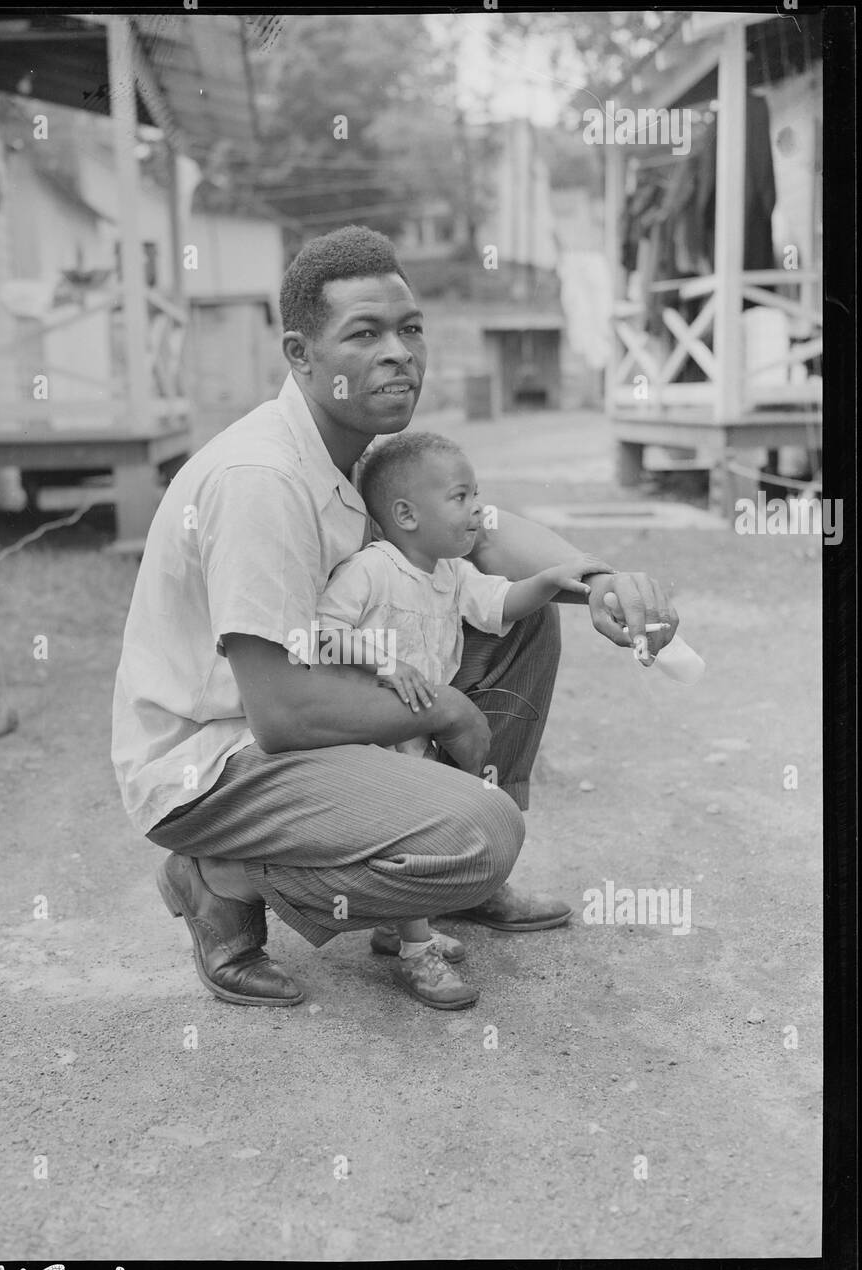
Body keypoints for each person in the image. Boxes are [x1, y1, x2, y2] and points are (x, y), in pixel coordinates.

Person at [111, 225, 678, 1011]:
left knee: (522, 620)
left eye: (410, 330)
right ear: (301, 355)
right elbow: (279, 712)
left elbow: (487, 531)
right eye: (365, 333)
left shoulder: (358, 454)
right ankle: (218, 875)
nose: (399, 353)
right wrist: (443, 706)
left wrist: (602, 582)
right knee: (482, 836)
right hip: (215, 760)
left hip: (292, 718)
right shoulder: (263, 480)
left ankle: (433, 884)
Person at [312, 430, 615, 1007]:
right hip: (373, 729)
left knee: (437, 822)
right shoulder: (372, 571)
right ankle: (413, 951)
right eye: (460, 497)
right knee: (412, 827)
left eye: (477, 494)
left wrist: (548, 581)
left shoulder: (450, 573)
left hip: (422, 724)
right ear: (405, 514)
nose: (477, 508)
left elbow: (498, 604)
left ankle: (400, 922)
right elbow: (324, 631)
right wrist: (384, 661)